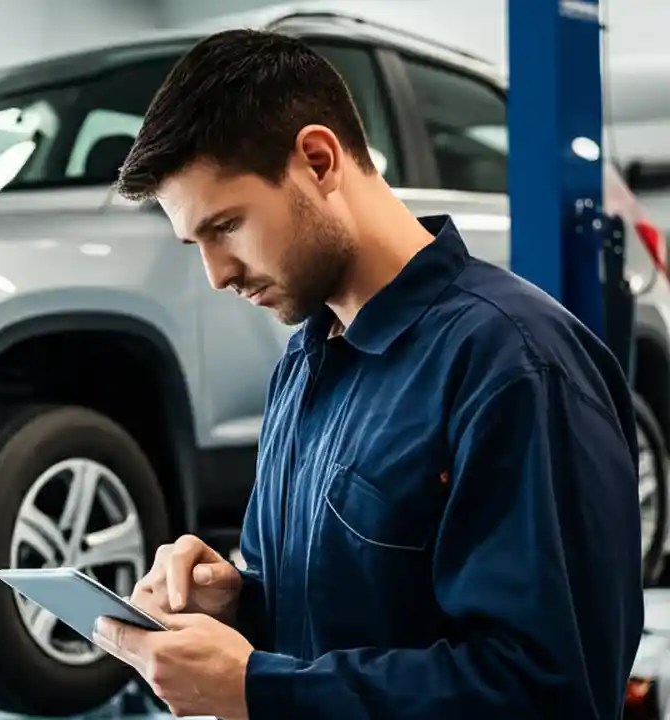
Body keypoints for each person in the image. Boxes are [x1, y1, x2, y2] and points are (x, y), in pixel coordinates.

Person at [90, 28, 644, 720]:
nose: (217, 274)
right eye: (194, 243)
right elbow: (356, 620)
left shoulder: (514, 365)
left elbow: (553, 692)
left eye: (226, 225)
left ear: (318, 160)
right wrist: (240, 605)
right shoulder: (305, 363)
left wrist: (259, 689)